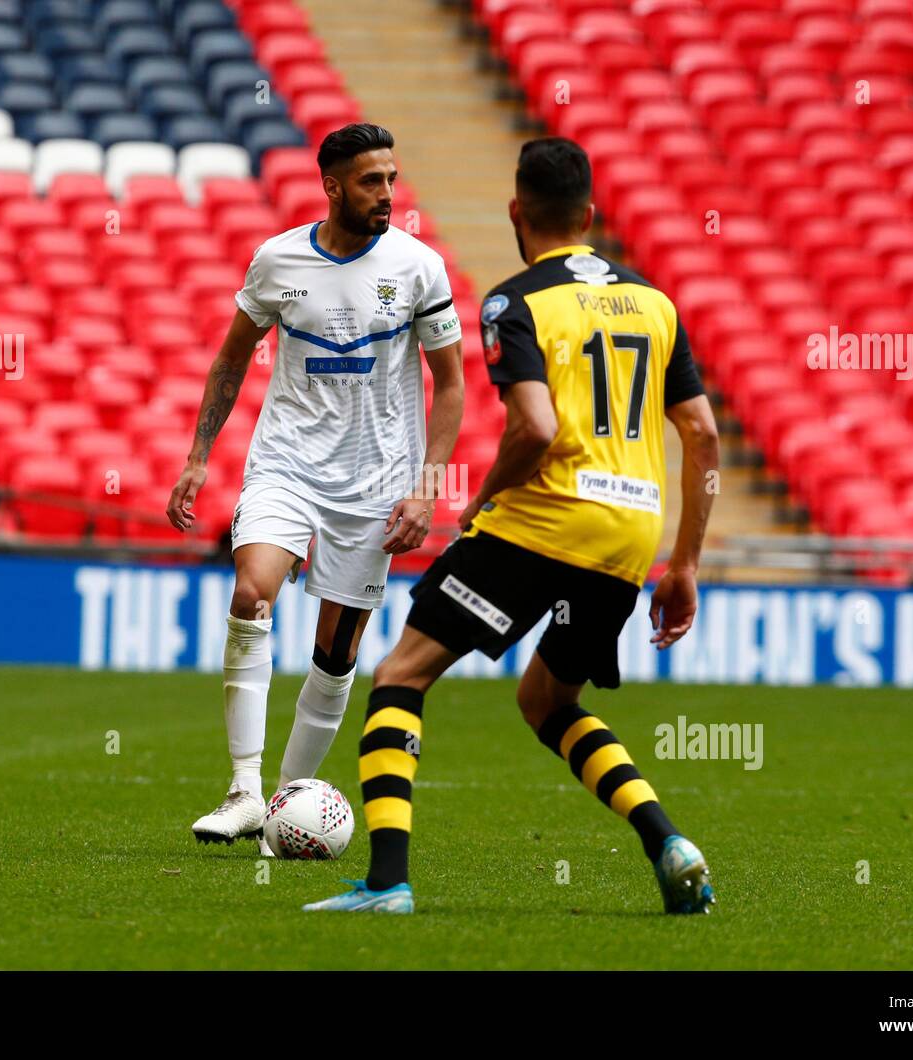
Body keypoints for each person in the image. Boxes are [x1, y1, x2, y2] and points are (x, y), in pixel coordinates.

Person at [305, 137, 720, 913]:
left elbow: (534, 427)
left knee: (401, 674)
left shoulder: (516, 302)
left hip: (541, 522)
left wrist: (480, 499)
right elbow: (702, 433)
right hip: (629, 538)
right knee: (546, 703)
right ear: (591, 215)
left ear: (514, 213)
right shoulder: (656, 305)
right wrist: (685, 563)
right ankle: (669, 840)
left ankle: (388, 882)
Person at [166, 123, 464, 853]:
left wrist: (426, 490)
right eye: (371, 182)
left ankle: (279, 808)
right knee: (251, 593)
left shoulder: (419, 267)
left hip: (376, 481)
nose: (387, 195)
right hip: (288, 463)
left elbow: (452, 383)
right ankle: (241, 791)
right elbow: (232, 359)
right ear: (332, 186)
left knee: (335, 656)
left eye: (391, 179)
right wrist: (200, 456)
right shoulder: (278, 261)